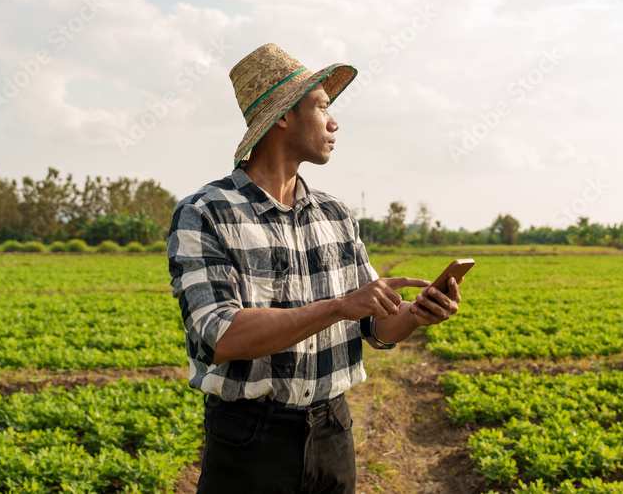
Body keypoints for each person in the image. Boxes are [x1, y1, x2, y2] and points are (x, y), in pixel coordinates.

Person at [166, 43, 463, 493]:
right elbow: (219, 336)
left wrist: (415, 315)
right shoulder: (206, 213)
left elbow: (375, 328)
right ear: (284, 115)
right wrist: (340, 306)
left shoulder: (336, 214)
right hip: (249, 441)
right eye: (322, 105)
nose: (334, 121)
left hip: (332, 433)